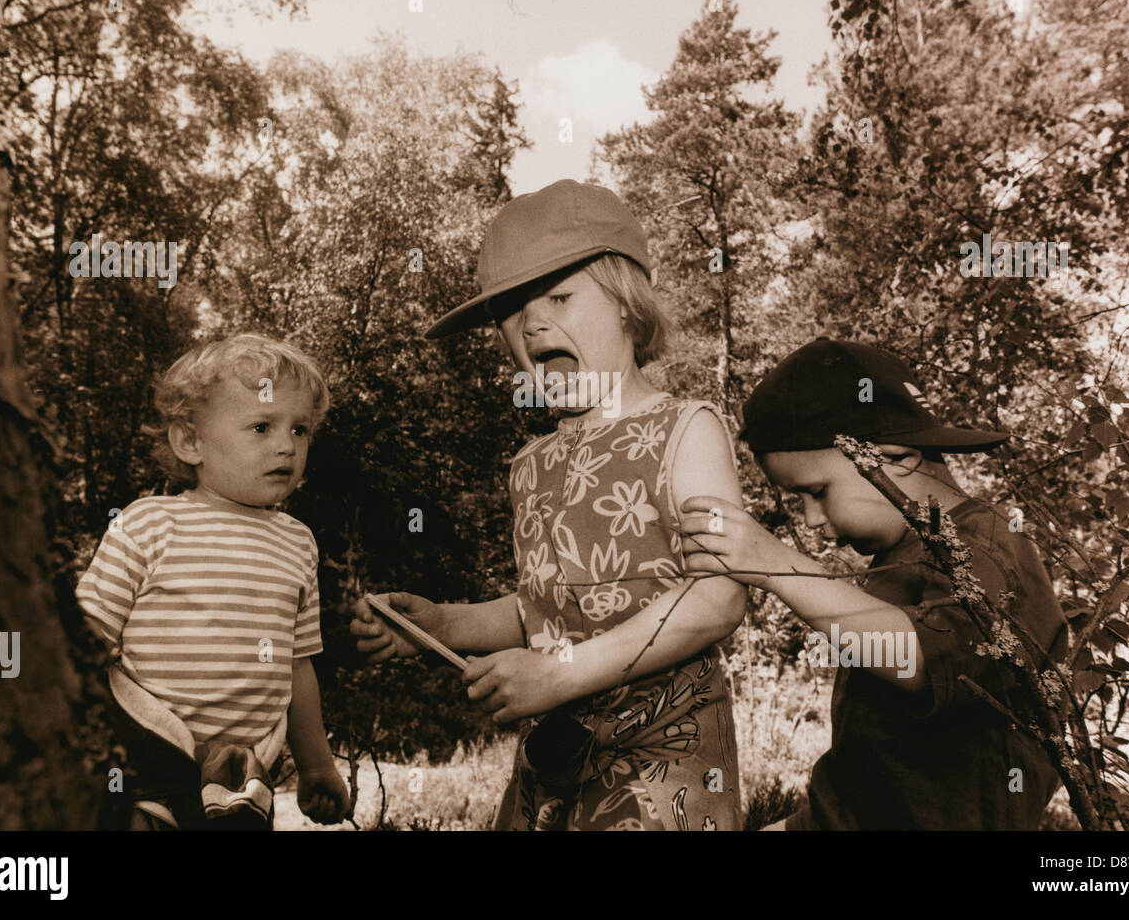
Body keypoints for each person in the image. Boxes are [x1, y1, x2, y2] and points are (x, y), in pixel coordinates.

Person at [353, 179, 747, 830]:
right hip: (555, 760)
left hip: (665, 756)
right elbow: (544, 609)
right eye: (512, 312)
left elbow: (719, 597)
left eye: (560, 297)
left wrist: (562, 674)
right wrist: (442, 626)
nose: (533, 323)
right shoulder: (530, 464)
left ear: (628, 308)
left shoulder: (687, 429)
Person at [680, 337, 1069, 829]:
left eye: (816, 492)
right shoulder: (901, 554)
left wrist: (778, 566)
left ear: (897, 458)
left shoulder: (986, 548)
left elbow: (919, 660)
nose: (811, 520)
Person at [77, 332, 350, 829]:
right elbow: (85, 640)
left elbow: (297, 665)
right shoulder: (148, 523)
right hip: (147, 759)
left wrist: (317, 765)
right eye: (262, 426)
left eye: (300, 430)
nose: (286, 446)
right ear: (190, 441)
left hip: (244, 779)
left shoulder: (298, 542)